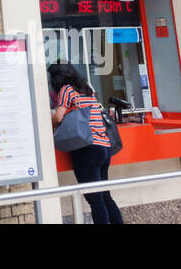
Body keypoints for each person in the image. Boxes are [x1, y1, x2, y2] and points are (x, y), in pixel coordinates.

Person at [49, 63, 124, 224]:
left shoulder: (66, 90)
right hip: (103, 147)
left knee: (95, 200)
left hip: (87, 149)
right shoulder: (87, 90)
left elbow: (59, 117)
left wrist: (48, 120)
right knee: (105, 196)